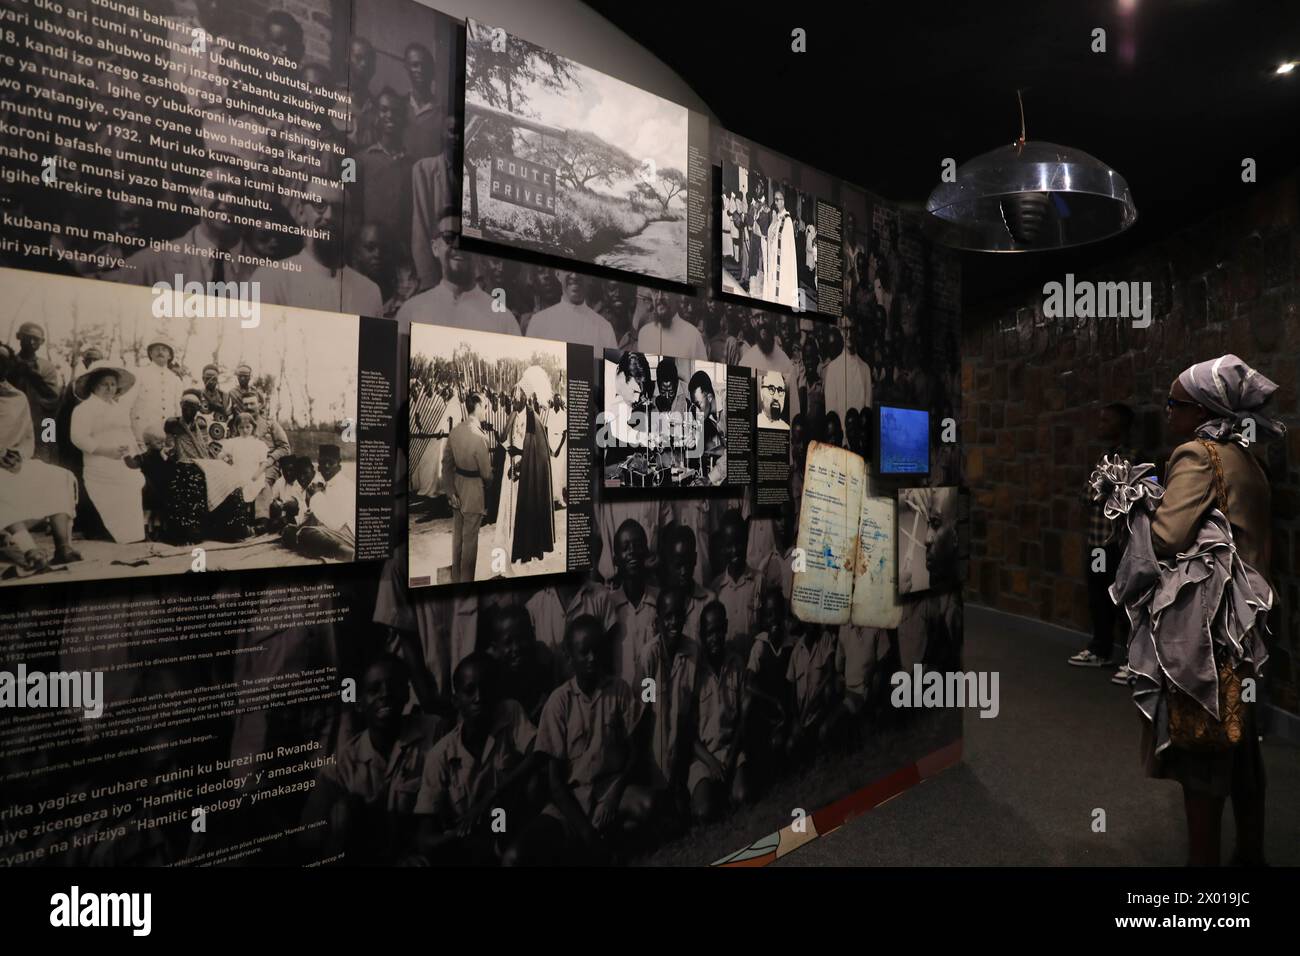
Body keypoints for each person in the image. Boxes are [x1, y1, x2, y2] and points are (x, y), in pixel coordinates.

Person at [1142, 356, 1280, 866]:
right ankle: (1251, 855)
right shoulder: (1248, 458)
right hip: (1252, 624)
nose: (1167, 413)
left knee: (1201, 752)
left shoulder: (1196, 454)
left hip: (1211, 628)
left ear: (1200, 411)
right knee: (1243, 748)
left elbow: (1167, 536)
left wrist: (1132, 505)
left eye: (1174, 405)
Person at [506, 615, 652, 865]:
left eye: (597, 650)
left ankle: (601, 843)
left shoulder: (619, 690)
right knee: (516, 856)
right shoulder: (558, 702)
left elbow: (635, 751)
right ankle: (593, 844)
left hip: (609, 792)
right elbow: (555, 784)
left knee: (650, 806)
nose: (592, 658)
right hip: (571, 802)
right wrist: (586, 831)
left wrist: (615, 794)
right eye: (584, 652)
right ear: (569, 654)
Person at [415, 652, 542, 865]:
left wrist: (491, 796)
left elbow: (538, 753)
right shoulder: (440, 755)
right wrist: (461, 833)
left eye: (486, 688)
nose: (479, 697)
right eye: (469, 691)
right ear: (456, 701)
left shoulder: (509, 712)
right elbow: (424, 837)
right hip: (468, 843)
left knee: (534, 783)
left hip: (509, 827)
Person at [1069, 402, 1141, 678]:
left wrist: (1100, 493)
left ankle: (1135, 661)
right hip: (1098, 540)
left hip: (1119, 543)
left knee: (1125, 600)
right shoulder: (1105, 457)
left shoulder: (1131, 458)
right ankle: (1100, 650)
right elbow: (1088, 495)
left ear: (1122, 424)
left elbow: (1113, 497)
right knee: (1098, 597)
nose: (1101, 425)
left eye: (1107, 421)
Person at [0, 345, 81, 570]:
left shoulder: (17, 397)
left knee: (59, 475)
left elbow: (27, 439)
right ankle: (29, 549)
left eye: (3, 361)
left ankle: (63, 546)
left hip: (14, 462)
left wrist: (19, 456)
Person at [251, 183, 383, 316]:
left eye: (339, 209)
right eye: (319, 206)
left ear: (350, 220)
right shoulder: (269, 279)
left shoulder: (370, 293)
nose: (329, 216)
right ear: (301, 212)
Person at [397, 209, 520, 335]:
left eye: (467, 237)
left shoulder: (503, 320)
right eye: (449, 237)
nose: (458, 245)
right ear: (435, 248)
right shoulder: (412, 311)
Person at [70, 361, 145, 544]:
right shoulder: (84, 409)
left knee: (133, 483)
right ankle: (120, 534)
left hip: (124, 462)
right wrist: (106, 451)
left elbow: (128, 433)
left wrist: (135, 456)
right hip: (99, 464)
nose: (109, 388)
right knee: (116, 493)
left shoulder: (118, 408)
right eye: (104, 384)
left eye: (112, 384)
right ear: (94, 386)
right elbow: (78, 437)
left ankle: (135, 535)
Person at [494, 371, 555, 572]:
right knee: (508, 510)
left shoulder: (533, 419)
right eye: (512, 395)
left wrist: (519, 464)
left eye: (516, 395)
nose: (513, 398)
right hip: (509, 469)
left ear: (525, 396)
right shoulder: (512, 415)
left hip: (525, 472)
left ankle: (523, 549)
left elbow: (538, 454)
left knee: (522, 510)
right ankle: (509, 547)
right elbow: (505, 440)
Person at [439, 392, 492, 583]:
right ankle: (466, 584)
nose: (486, 411)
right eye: (485, 406)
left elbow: (445, 465)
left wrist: (450, 492)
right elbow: (486, 474)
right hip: (474, 493)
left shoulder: (455, 432)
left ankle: (455, 579)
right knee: (470, 544)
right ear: (477, 407)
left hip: (457, 492)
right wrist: (489, 485)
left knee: (458, 542)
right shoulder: (480, 437)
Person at [411, 116, 462, 290]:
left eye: (460, 133)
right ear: (442, 133)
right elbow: (420, 225)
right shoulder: (424, 169)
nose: (456, 137)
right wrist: (427, 280)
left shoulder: (472, 173)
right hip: (435, 270)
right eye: (451, 131)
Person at [286, 444, 355, 560]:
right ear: (318, 466)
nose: (326, 466)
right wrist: (309, 503)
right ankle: (327, 548)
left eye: (330, 463)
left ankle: (347, 553)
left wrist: (316, 496)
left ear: (339, 463)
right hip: (328, 531)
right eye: (323, 463)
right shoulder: (324, 485)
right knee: (289, 532)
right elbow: (313, 520)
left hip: (347, 534)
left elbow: (335, 524)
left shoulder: (346, 485)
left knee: (305, 534)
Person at [526, 271, 618, 354]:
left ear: (590, 278)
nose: (574, 276)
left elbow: (611, 371)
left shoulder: (605, 328)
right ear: (558, 274)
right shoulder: (538, 322)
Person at [8, 322, 61, 464]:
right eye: (28, 337)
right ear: (19, 337)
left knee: (45, 457)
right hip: (15, 420)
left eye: (37, 339)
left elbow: (53, 398)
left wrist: (31, 374)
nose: (32, 342)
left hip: (43, 420)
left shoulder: (46, 367)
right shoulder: (8, 363)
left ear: (42, 342)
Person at [738, 313, 800, 420]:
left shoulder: (786, 363)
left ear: (773, 320)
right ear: (752, 322)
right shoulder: (745, 362)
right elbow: (740, 413)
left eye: (765, 316)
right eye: (757, 317)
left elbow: (794, 412)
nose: (761, 321)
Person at [130, 334, 183, 443]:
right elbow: (128, 405)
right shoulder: (139, 374)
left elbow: (178, 410)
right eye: (156, 349)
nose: (160, 352)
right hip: (142, 434)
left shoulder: (175, 380)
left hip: (167, 436)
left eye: (164, 349)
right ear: (150, 353)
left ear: (170, 355)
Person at [635, 290, 707, 360]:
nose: (659, 297)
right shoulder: (644, 334)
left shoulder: (693, 335)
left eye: (665, 291)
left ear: (678, 296)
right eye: (656, 291)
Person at [762, 187, 798, 308]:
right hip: (774, 261)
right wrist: (772, 221)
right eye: (775, 200)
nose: (775, 202)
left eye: (777, 200)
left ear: (783, 201)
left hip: (782, 264)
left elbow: (789, 249)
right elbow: (770, 235)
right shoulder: (777, 218)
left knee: (782, 290)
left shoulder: (787, 221)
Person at [546, 393, 567, 508]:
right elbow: (545, 429)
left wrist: (558, 449)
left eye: (559, 400)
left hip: (559, 444)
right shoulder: (549, 413)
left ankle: (559, 498)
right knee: (551, 472)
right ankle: (550, 498)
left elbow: (564, 434)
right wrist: (549, 447)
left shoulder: (563, 415)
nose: (557, 401)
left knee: (559, 472)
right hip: (550, 441)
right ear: (553, 401)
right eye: (556, 399)